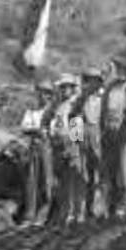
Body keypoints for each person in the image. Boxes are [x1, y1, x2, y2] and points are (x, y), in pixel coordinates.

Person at [101, 55, 126, 221]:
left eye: (125, 69)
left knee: (124, 170)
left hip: (124, 133)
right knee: (110, 171)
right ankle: (111, 207)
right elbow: (103, 112)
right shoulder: (110, 88)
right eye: (119, 68)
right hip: (108, 132)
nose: (121, 72)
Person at [17, 78, 55, 222]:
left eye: (48, 93)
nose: (44, 96)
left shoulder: (53, 112)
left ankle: (44, 214)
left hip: (49, 147)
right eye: (42, 93)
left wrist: (42, 131)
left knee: (48, 180)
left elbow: (55, 129)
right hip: (34, 147)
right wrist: (37, 130)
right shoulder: (31, 112)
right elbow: (24, 127)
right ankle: (29, 214)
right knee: (32, 181)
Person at [47, 74, 82, 228]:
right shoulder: (57, 105)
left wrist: (73, 145)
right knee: (60, 182)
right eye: (62, 87)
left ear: (72, 89)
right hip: (58, 146)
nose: (65, 90)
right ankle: (61, 213)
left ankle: (72, 213)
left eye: (67, 87)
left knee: (71, 180)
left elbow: (77, 128)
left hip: (70, 144)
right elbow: (51, 124)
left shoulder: (75, 104)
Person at [70, 67, 104, 222]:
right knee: (83, 176)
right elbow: (74, 118)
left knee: (99, 176)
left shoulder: (102, 99)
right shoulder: (80, 99)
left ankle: (99, 209)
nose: (92, 84)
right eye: (89, 80)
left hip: (99, 138)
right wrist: (76, 142)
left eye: (95, 81)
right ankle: (82, 211)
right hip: (84, 139)